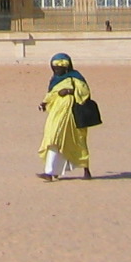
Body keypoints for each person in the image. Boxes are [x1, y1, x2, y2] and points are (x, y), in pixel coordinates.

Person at [37, 52, 92, 181]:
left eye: (60, 68)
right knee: (53, 138)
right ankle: (51, 172)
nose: (57, 71)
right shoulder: (55, 80)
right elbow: (51, 94)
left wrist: (69, 91)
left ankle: (86, 170)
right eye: (55, 68)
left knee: (77, 141)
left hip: (72, 114)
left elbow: (85, 92)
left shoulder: (75, 78)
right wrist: (44, 103)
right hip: (56, 113)